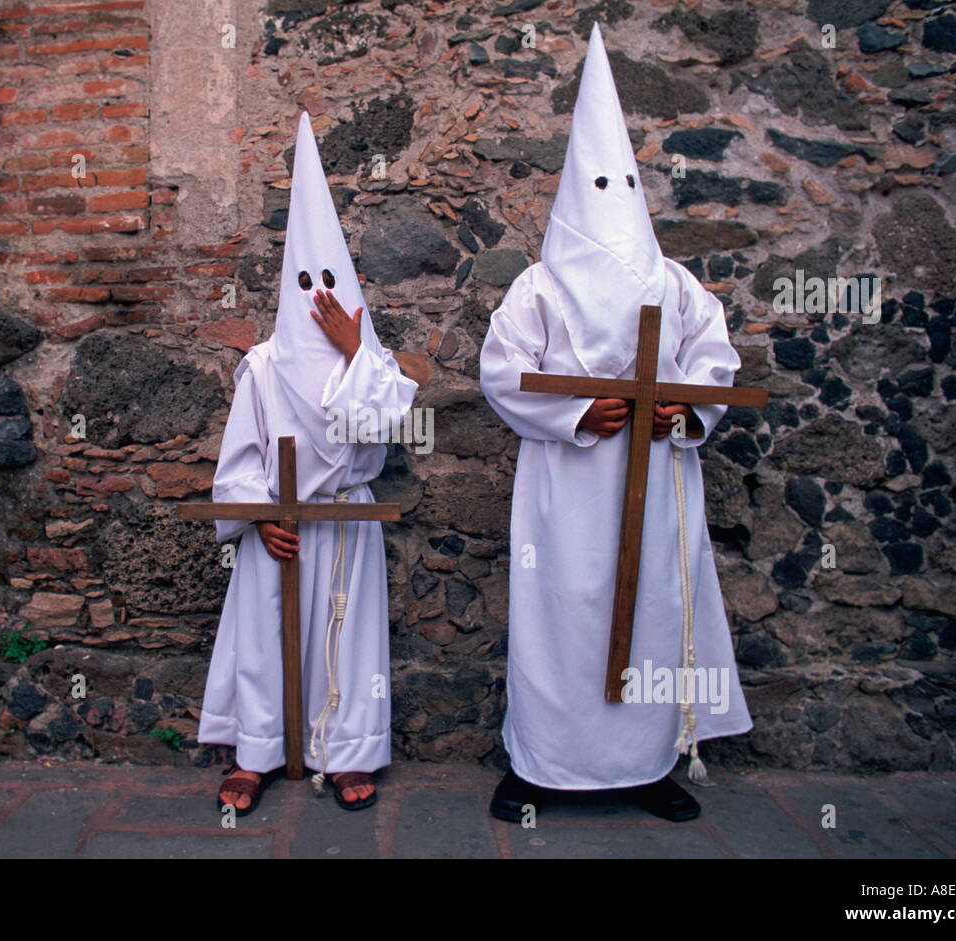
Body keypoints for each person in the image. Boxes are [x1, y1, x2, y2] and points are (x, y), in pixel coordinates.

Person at [478, 22, 752, 822]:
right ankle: (542, 766)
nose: (610, 204)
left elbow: (715, 360)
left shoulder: (674, 282)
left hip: (658, 476)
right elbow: (503, 370)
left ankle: (645, 764)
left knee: (656, 613)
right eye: (597, 188)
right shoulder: (536, 288)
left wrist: (682, 407)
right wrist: (574, 411)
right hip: (566, 486)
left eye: (619, 188)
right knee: (557, 621)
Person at [198, 112, 418, 815]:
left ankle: (348, 753)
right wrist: (259, 518)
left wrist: (357, 350)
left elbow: (384, 421)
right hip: (280, 528)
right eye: (305, 281)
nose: (318, 297)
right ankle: (256, 752)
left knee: (348, 643)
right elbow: (238, 461)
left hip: (347, 521)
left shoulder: (371, 363)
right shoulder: (261, 367)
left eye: (332, 280)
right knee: (266, 637)